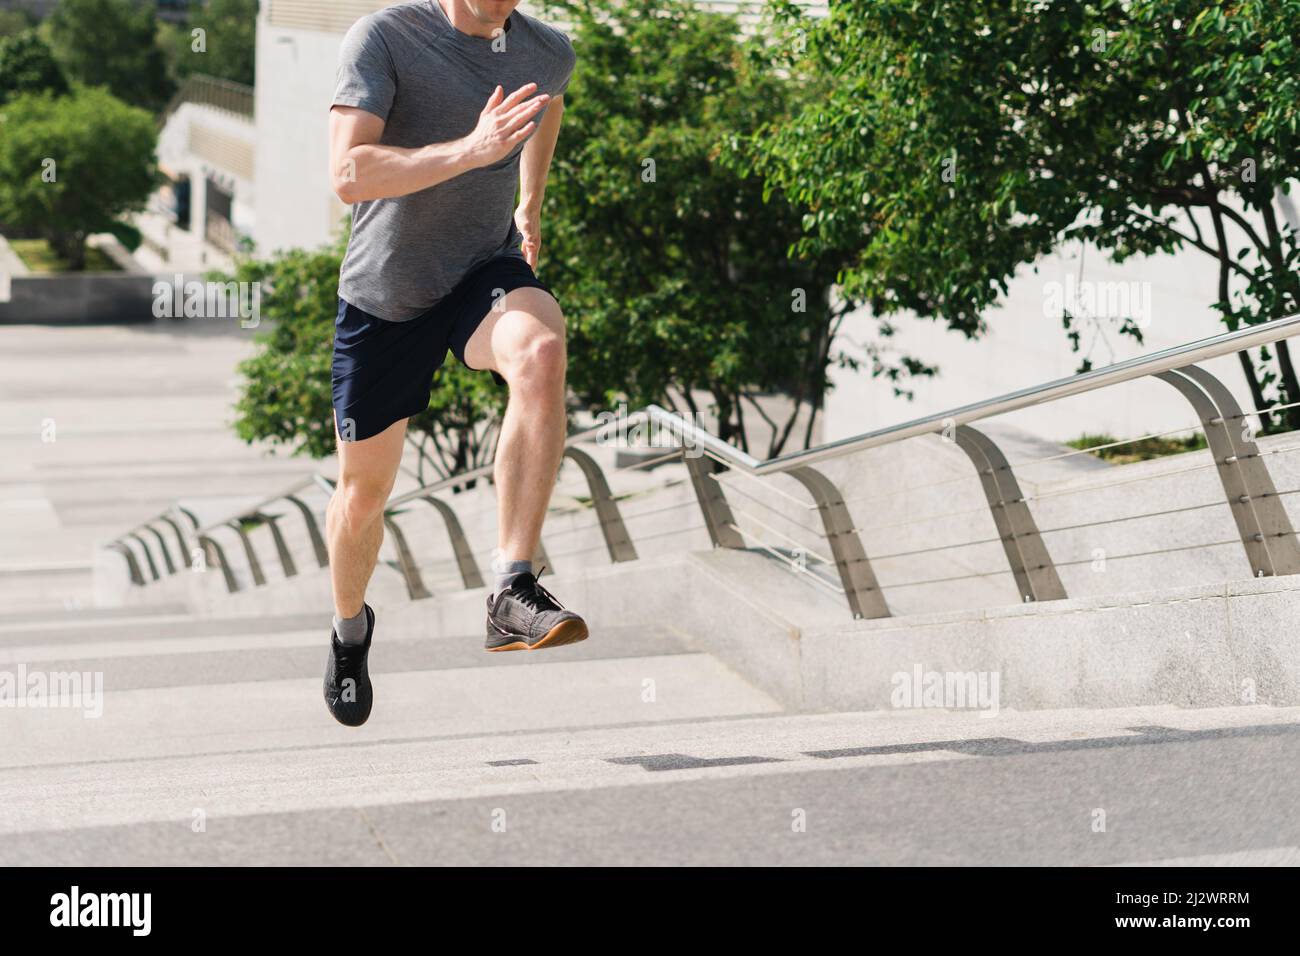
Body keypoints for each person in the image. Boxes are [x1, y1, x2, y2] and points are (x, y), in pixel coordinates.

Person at [322, 0, 586, 727]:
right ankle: (349, 630)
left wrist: (530, 202)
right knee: (362, 499)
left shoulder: (546, 50)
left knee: (540, 351)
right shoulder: (385, 37)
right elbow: (348, 171)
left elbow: (548, 103)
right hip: (385, 295)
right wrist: (470, 149)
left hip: (482, 270)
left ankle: (512, 586)